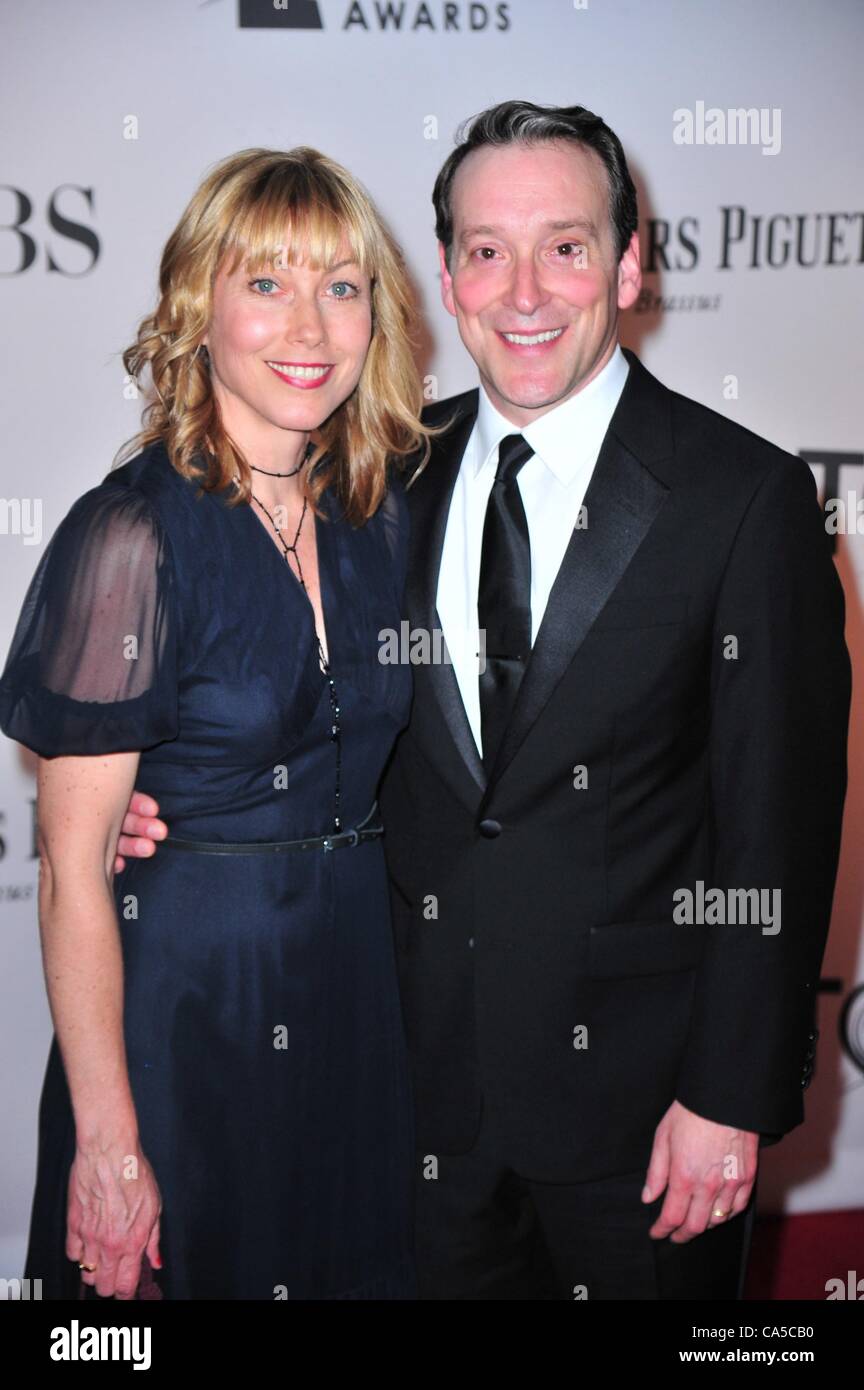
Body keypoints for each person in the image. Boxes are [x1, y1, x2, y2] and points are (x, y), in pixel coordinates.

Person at [116, 102, 852, 1301]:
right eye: (486, 249)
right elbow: (301, 702)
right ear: (446, 275)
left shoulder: (745, 499)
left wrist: (731, 1094)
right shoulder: (378, 476)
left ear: (628, 263)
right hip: (406, 1097)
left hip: (645, 1127)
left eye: (565, 245)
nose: (524, 290)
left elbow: (777, 825)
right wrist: (169, 797)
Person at [0, 145, 435, 1300]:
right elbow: (73, 870)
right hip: (189, 1011)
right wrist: (108, 1143)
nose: (310, 325)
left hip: (353, 1000)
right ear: (200, 309)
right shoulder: (131, 535)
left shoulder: (376, 518)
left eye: (342, 287)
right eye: (266, 283)